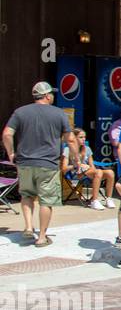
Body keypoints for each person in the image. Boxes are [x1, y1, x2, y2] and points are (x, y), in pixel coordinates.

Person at [3, 81, 76, 247]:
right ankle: (42, 237)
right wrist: (76, 158)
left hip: (25, 162)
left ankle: (28, 227)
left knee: (27, 195)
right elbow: (70, 139)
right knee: (46, 201)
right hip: (48, 163)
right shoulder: (58, 114)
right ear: (47, 96)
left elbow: (7, 134)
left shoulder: (20, 112)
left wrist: (11, 153)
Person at [63, 127, 115, 209]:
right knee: (98, 172)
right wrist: (76, 166)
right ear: (74, 138)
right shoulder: (67, 149)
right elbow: (64, 168)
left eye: (84, 137)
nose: (83, 139)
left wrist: (87, 167)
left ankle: (108, 198)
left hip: (88, 172)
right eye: (81, 137)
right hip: (76, 174)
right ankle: (94, 200)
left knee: (110, 173)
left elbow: (92, 166)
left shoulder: (87, 149)